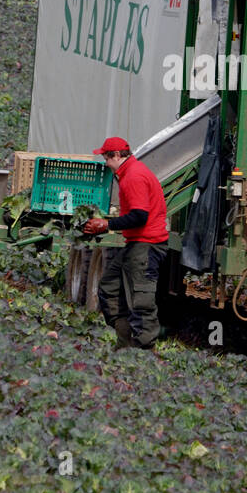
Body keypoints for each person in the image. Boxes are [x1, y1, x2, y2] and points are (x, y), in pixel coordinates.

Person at [80, 137, 169, 350]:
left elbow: (140, 216)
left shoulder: (134, 177)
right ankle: (126, 341)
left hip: (146, 244)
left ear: (117, 156)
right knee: (109, 287)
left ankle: (144, 351)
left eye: (106, 158)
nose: (106, 164)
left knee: (141, 300)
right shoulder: (130, 173)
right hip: (137, 242)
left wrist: (106, 225)